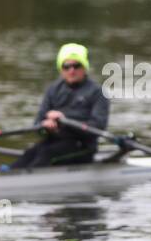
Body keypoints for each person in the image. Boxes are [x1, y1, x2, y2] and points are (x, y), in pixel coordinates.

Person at [9, 42, 110, 170]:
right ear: (61, 69)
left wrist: (64, 120)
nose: (71, 70)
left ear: (84, 67)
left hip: (82, 146)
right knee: (29, 154)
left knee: (46, 154)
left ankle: (19, 183)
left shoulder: (98, 92)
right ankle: (1, 175)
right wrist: (45, 127)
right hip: (54, 142)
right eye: (66, 66)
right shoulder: (53, 90)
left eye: (76, 65)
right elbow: (37, 125)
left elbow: (98, 127)